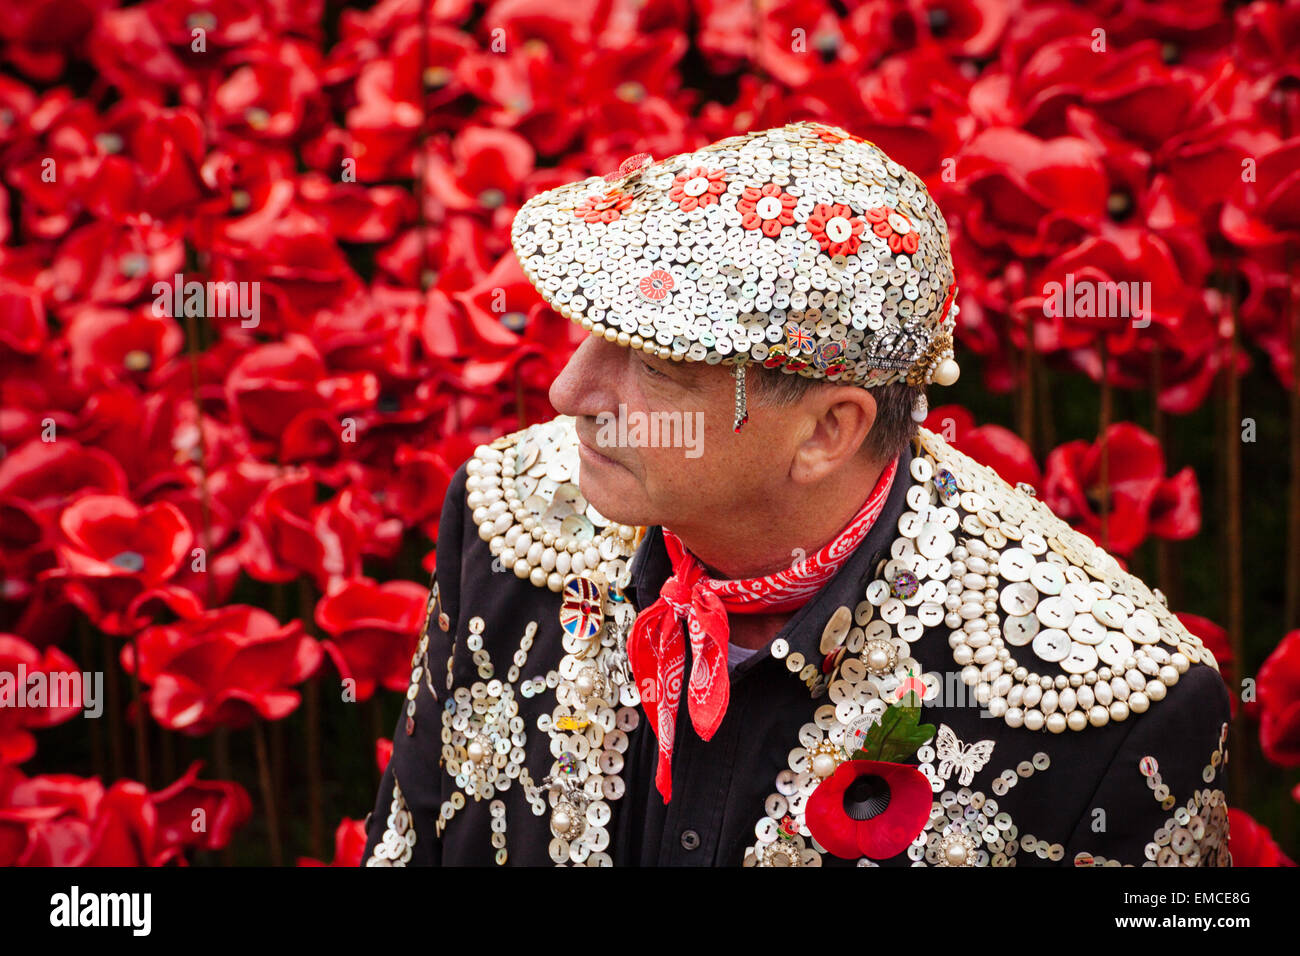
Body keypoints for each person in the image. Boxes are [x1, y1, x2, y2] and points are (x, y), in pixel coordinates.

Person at [361, 121, 1232, 867]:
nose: (566, 394)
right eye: (593, 331)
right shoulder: (507, 516)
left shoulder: (1113, 705)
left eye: (659, 364)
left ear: (826, 431)